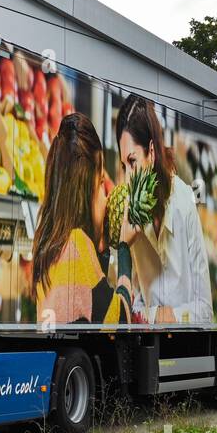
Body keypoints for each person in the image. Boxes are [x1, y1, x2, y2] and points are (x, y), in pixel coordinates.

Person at [113, 95, 213, 325]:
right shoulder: (133, 212)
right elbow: (133, 304)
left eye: (132, 161)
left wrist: (171, 316)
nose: (128, 177)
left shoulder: (184, 203)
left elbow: (205, 308)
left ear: (151, 151)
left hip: (184, 345)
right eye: (122, 166)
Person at [32, 112, 132, 325]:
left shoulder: (48, 244)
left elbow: (93, 304)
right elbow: (120, 319)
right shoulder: (77, 244)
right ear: (86, 192)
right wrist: (124, 248)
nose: (106, 198)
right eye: (100, 184)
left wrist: (102, 247)